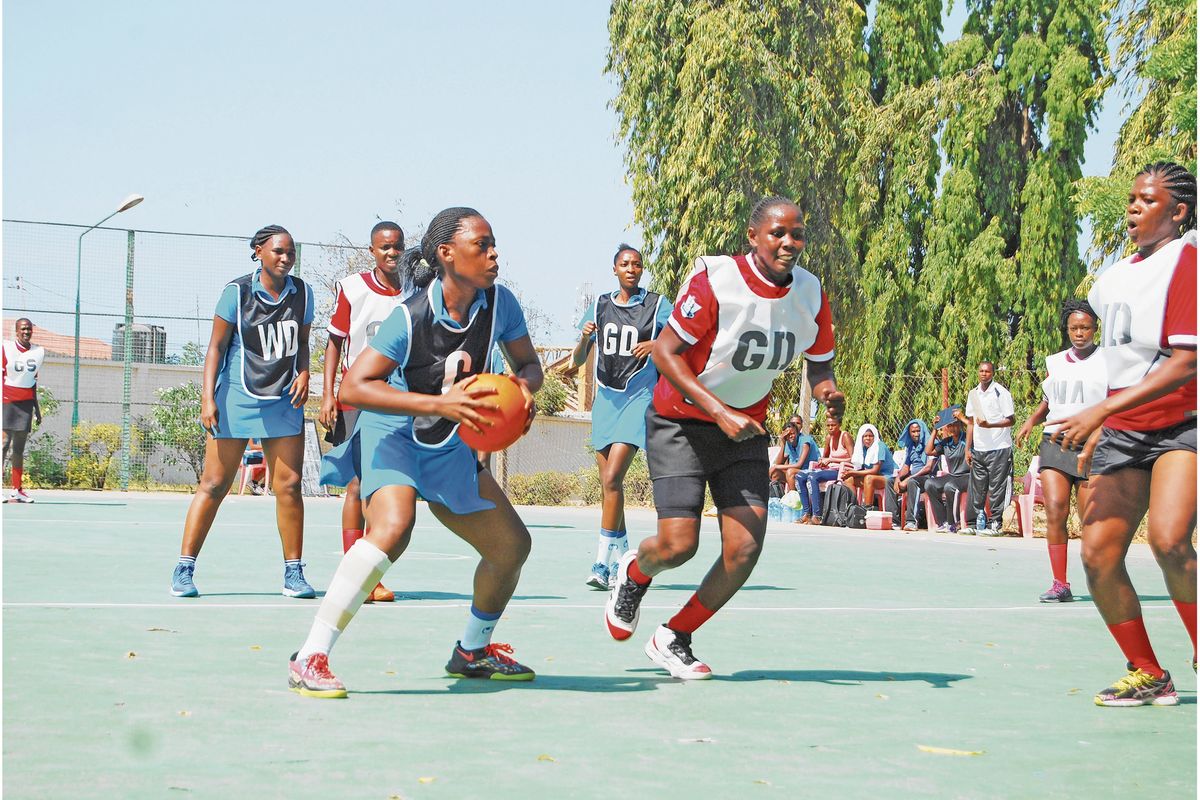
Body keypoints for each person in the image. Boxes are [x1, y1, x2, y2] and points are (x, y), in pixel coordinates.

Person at [288, 207, 544, 697]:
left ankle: (472, 651)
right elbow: (355, 387)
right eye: (483, 244)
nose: (494, 254)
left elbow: (530, 364)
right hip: (396, 429)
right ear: (447, 254)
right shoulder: (410, 316)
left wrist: (525, 389)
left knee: (511, 546)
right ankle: (311, 655)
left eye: (494, 244)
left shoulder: (500, 304)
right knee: (393, 528)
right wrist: (438, 402)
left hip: (449, 438)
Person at [603, 195, 844, 680]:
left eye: (797, 233)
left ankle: (674, 636)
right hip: (681, 425)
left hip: (744, 430)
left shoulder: (811, 293)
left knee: (745, 548)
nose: (789, 242)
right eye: (777, 233)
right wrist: (717, 410)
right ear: (753, 237)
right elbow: (666, 353)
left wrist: (828, 391)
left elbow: (819, 363)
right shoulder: (717, 281)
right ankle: (635, 572)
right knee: (678, 546)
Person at [1050, 162, 1196, 707]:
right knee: (1099, 554)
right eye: (1131, 198)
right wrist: (1101, 420)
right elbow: (1119, 363)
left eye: (1147, 199)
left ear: (1178, 212)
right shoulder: (1111, 279)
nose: (1132, 206)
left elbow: (1185, 363)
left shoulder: (1189, 260)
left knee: (1169, 540)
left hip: (1183, 425)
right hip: (1126, 432)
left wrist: (1099, 410)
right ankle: (1148, 670)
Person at [170, 225, 315, 599]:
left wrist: (303, 371)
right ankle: (184, 568)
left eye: (291, 253)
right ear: (258, 252)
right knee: (215, 484)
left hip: (283, 398)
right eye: (278, 251)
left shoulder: (303, 294)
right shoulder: (236, 292)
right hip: (237, 396)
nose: (286, 258)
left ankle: (294, 573)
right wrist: (208, 398)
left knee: (289, 486)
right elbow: (216, 348)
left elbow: (301, 342)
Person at [319, 221, 416, 604]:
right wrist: (327, 394)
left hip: (400, 399)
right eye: (384, 248)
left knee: (387, 489)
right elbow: (334, 344)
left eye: (397, 248)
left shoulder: (416, 290)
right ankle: (355, 574)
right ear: (373, 251)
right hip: (357, 398)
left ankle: (370, 571)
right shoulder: (353, 289)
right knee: (358, 485)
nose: (392, 254)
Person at [571, 243, 672, 590]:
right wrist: (584, 341)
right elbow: (576, 360)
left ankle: (601, 562)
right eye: (625, 264)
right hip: (607, 400)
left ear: (642, 270)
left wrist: (657, 346)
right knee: (609, 487)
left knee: (613, 477)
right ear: (614, 269)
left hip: (639, 398)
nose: (632, 268)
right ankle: (625, 559)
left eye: (637, 264)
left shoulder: (656, 304)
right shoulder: (599, 306)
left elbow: (684, 339)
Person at [1015, 300, 1106, 602]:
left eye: (1085, 327)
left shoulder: (1108, 361)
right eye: (1074, 328)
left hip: (1091, 444)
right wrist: (1030, 421)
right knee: (1055, 509)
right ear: (1067, 329)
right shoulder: (1054, 361)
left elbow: (1116, 403)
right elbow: (1048, 399)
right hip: (1055, 441)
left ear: (1095, 328)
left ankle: (1103, 579)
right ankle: (1060, 584)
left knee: (1090, 518)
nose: (1079, 333)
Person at [964, 361, 1015, 535]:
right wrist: (967, 448)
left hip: (999, 448)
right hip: (979, 448)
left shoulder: (1001, 392)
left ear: (992, 373)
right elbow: (970, 422)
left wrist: (990, 425)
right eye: (981, 371)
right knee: (977, 487)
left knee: (997, 487)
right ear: (977, 373)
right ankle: (975, 522)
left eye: (987, 371)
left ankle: (996, 524)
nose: (984, 374)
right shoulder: (973, 394)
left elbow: (1011, 419)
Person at [2, 318, 44, 503]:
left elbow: (33, 382)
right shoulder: (6, 349)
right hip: (7, 402)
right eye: (23, 329)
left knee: (18, 449)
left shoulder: (37, 353)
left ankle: (17, 490)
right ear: (17, 331)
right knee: (3, 445)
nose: (26, 332)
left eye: (29, 329)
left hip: (25, 405)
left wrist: (37, 409)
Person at [796, 415, 853, 524]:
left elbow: (853, 458)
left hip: (841, 470)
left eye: (833, 425)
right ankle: (806, 513)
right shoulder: (828, 438)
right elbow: (824, 457)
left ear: (840, 425)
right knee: (800, 476)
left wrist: (831, 459)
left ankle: (817, 516)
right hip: (829, 469)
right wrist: (822, 461)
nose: (830, 428)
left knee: (813, 477)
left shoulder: (845, 436)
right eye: (828, 425)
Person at [925, 407, 971, 532]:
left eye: (955, 425)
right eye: (949, 426)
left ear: (960, 425)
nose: (953, 428)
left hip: (967, 476)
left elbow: (977, 429)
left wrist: (962, 417)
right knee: (930, 484)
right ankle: (943, 522)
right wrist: (935, 429)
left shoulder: (967, 438)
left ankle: (954, 523)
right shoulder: (946, 442)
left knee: (950, 486)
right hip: (953, 475)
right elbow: (928, 451)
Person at [885, 419, 934, 531]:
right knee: (890, 481)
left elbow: (929, 467)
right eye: (913, 432)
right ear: (909, 433)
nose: (916, 434)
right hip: (913, 475)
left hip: (927, 477)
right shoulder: (911, 446)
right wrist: (898, 478)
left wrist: (909, 478)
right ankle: (893, 521)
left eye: (918, 431)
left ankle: (912, 521)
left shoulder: (931, 443)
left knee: (912, 482)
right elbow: (906, 466)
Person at [839, 423, 893, 506]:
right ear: (861, 437)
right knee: (849, 480)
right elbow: (862, 468)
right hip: (873, 477)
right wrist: (849, 473)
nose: (868, 438)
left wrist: (854, 472)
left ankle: (868, 508)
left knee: (869, 478)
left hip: (887, 478)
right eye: (865, 436)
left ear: (875, 436)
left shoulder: (880, 446)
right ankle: (854, 507)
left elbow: (875, 470)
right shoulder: (862, 449)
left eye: (870, 436)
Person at [768, 421, 819, 495]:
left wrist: (777, 466)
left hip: (811, 471)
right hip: (797, 471)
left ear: (797, 433)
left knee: (790, 472)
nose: (790, 436)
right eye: (788, 435)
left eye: (792, 433)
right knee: (775, 473)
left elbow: (799, 465)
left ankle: (794, 498)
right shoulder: (789, 443)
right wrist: (783, 443)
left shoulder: (805, 441)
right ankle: (776, 498)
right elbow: (779, 462)